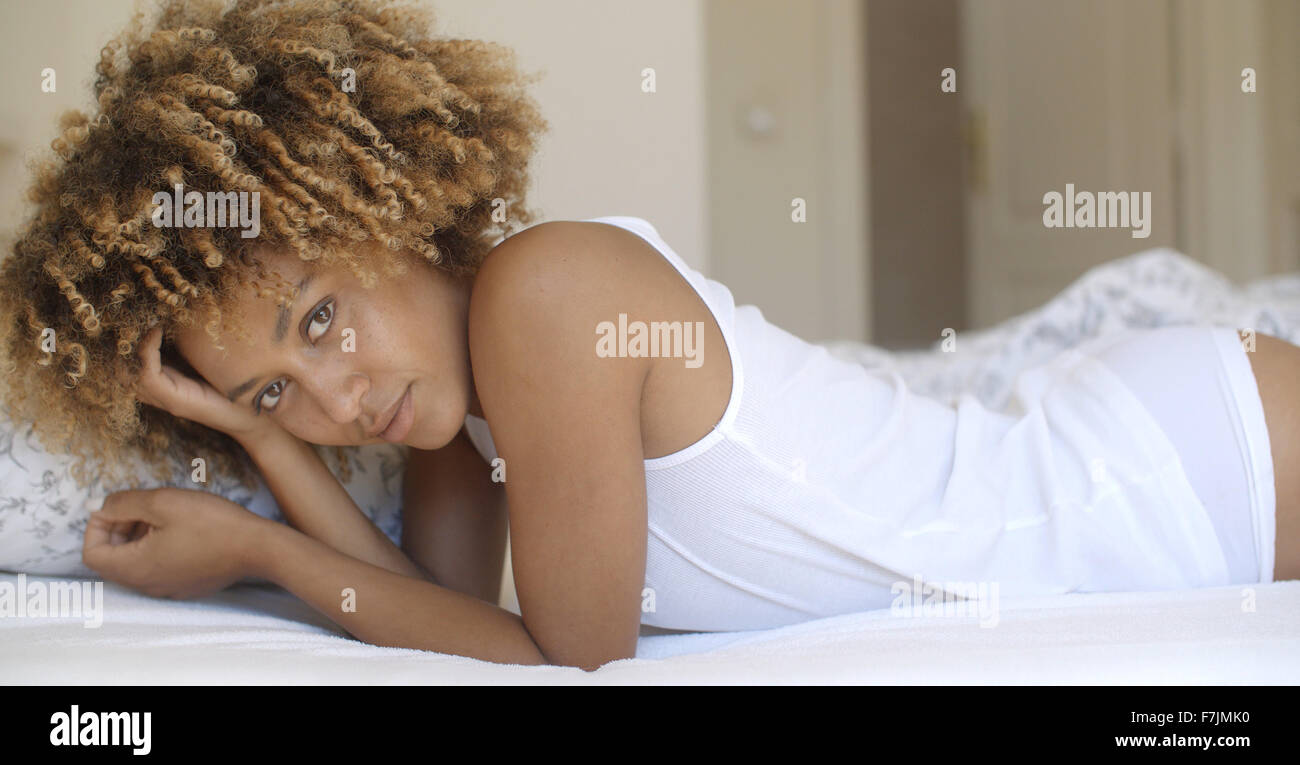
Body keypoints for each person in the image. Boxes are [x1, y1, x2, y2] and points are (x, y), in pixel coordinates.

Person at [2, 0, 1296, 671]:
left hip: (1185, 469)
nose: (336, 401)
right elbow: (439, 618)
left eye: (322, 319)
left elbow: (565, 659)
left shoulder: (544, 296)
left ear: (387, 202)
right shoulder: (449, 398)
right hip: (1126, 437)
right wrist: (251, 441)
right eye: (282, 385)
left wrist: (257, 555)